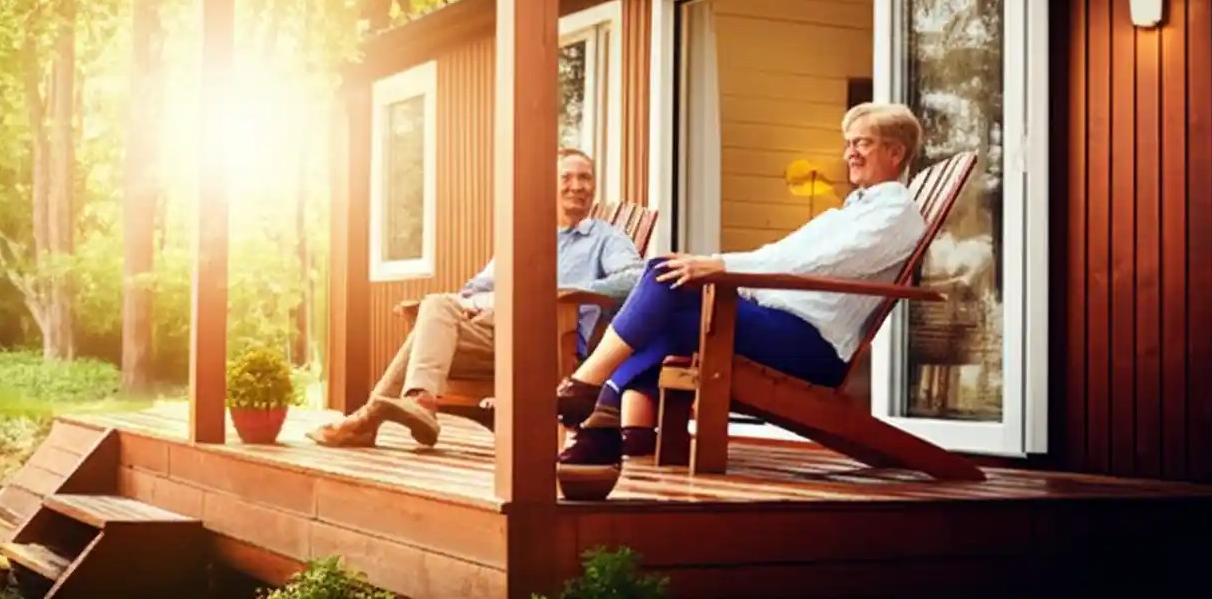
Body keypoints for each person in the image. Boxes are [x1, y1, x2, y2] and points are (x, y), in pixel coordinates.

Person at [553, 102, 929, 488]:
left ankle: (583, 392)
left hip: (812, 345)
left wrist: (720, 266)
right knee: (669, 288)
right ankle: (603, 419)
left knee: (664, 277)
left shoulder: (894, 214)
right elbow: (787, 256)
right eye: (848, 142)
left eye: (862, 143)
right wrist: (714, 267)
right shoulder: (853, 211)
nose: (849, 152)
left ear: (895, 152)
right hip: (781, 323)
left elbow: (813, 261)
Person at [307, 147, 644, 449]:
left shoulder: (605, 237)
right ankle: (419, 400)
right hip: (492, 336)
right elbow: (473, 290)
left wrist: (551, 296)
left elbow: (634, 279)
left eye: (585, 178)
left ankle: (368, 420)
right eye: (566, 177)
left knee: (432, 316)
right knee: (437, 305)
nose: (577, 185)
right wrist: (478, 302)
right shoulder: (525, 238)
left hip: (546, 342)